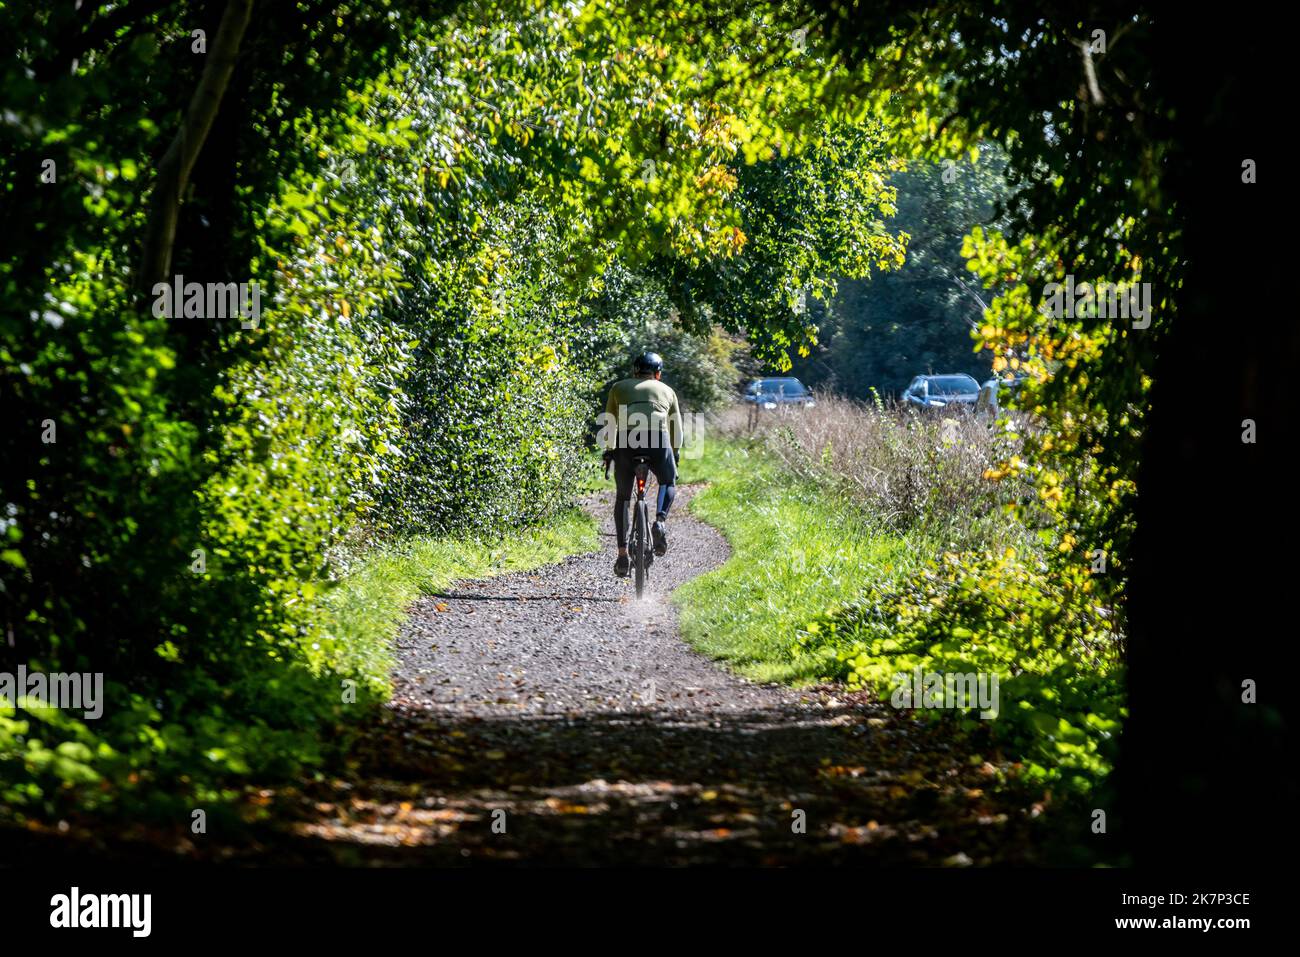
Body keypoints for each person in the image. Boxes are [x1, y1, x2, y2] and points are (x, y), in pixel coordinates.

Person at [601, 352, 682, 578]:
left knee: (623, 497)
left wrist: (609, 451)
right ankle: (659, 521)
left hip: (627, 442)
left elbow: (609, 421)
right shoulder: (667, 390)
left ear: (635, 372)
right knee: (668, 480)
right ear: (658, 373)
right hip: (658, 440)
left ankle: (622, 555)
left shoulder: (618, 387)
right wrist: (674, 454)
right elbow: (676, 427)